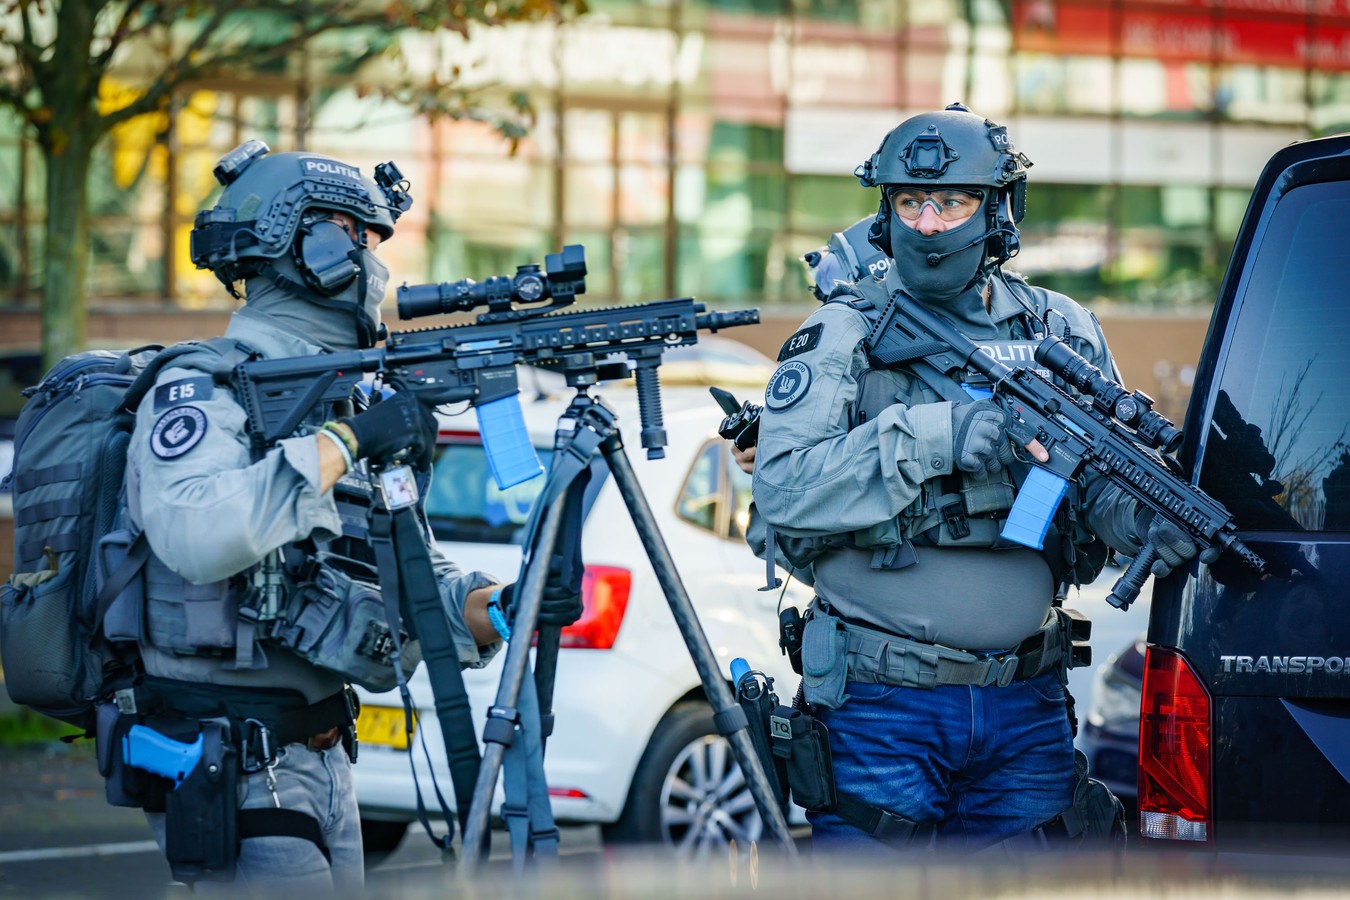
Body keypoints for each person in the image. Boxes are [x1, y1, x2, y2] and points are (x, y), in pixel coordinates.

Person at [112, 142, 581, 889]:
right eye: (361, 238)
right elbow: (198, 534)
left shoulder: (346, 395)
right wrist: (346, 441)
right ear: (314, 247)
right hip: (237, 762)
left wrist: (504, 607)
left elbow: (415, 578)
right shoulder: (203, 387)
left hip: (328, 758)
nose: (374, 264)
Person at [749, 105, 1205, 850]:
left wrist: (1141, 518)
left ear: (997, 212)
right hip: (878, 707)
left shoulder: (1059, 331)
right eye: (909, 202)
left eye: (953, 202)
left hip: (1026, 705)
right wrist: (939, 436)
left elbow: (1105, 485)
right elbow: (786, 487)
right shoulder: (844, 332)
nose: (929, 224)